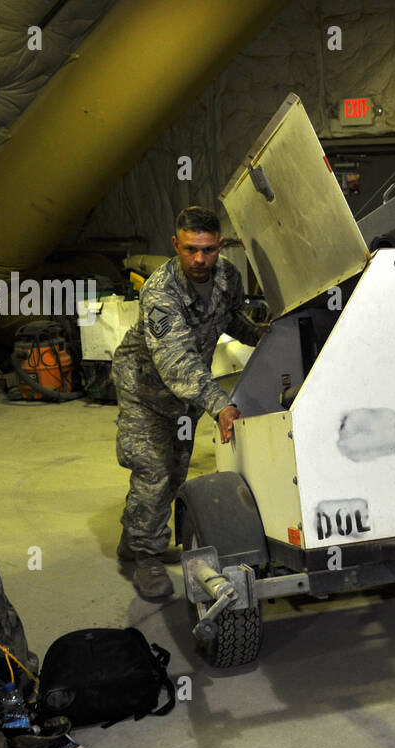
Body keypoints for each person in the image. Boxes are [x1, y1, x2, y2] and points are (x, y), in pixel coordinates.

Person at [111, 206, 266, 600]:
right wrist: (221, 404)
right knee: (155, 469)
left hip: (186, 392)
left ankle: (135, 535)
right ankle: (146, 556)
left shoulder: (227, 277)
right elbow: (175, 361)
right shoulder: (160, 292)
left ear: (220, 246)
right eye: (192, 250)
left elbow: (226, 316)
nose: (201, 260)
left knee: (177, 469)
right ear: (176, 244)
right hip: (145, 388)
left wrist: (260, 335)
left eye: (210, 250)